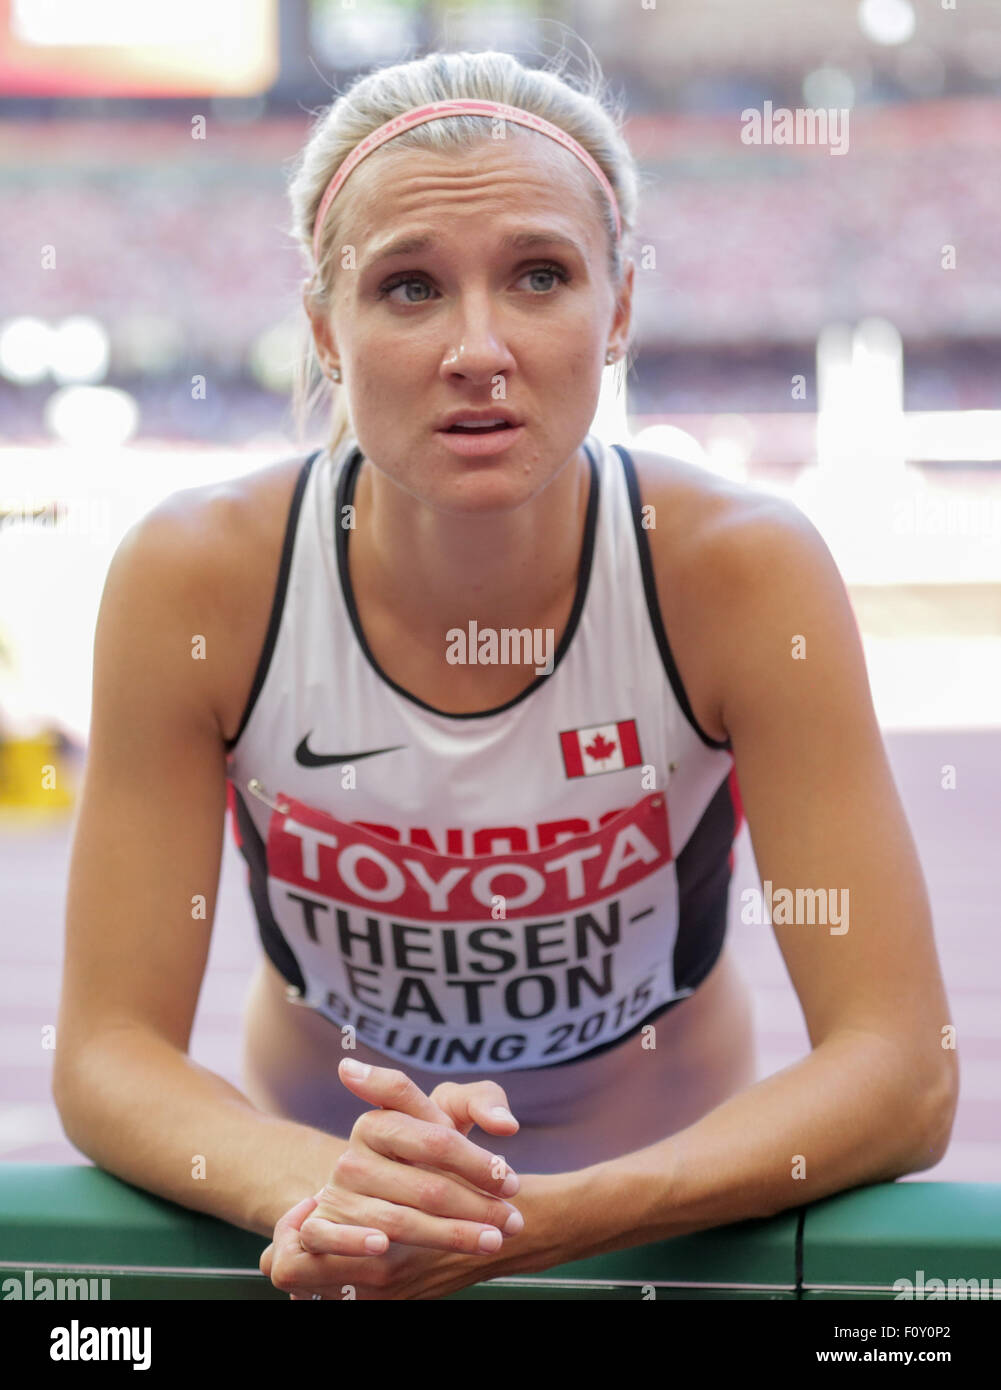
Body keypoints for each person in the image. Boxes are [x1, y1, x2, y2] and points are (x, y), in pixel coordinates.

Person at [54, 48, 958, 1302]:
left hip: (675, 1214)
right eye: (409, 286)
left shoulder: (741, 575)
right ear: (323, 325)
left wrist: (540, 1220)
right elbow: (104, 1049)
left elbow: (901, 1067)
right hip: (328, 1208)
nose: (476, 349)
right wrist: (323, 1196)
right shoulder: (195, 579)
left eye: (540, 275)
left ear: (620, 307)